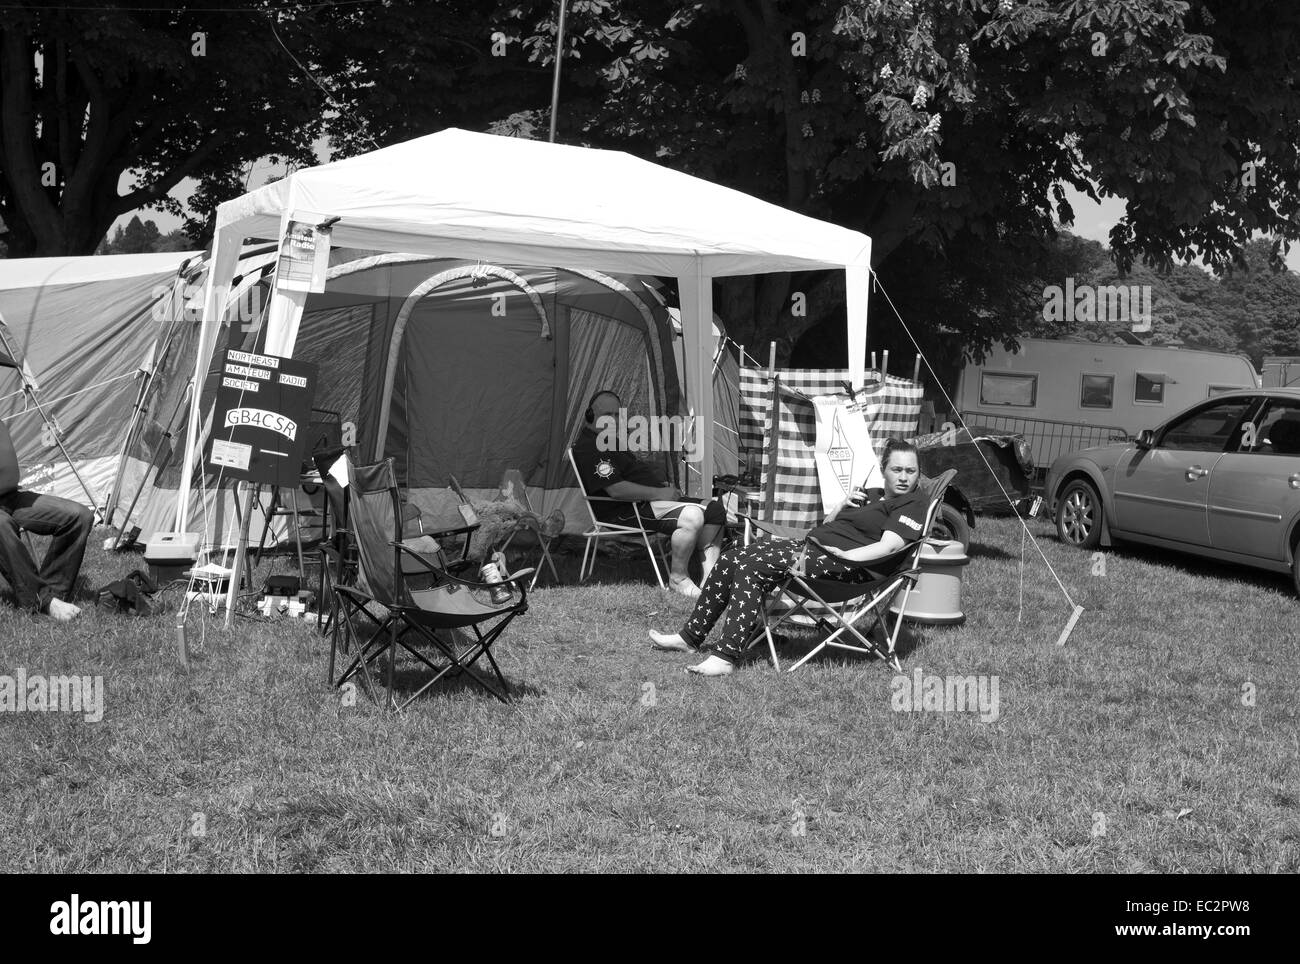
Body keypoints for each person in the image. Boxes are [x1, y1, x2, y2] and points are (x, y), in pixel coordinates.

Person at [648, 439, 928, 676]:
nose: (904, 477)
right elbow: (829, 525)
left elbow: (890, 546)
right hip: (815, 550)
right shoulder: (873, 495)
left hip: (846, 568)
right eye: (897, 469)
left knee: (752, 567)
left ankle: (725, 656)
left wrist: (847, 555)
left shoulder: (913, 503)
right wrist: (843, 505)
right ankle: (690, 637)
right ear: (883, 470)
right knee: (733, 557)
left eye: (910, 471)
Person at [572, 389, 725, 598]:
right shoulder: (590, 447)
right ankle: (678, 578)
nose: (615, 420)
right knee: (693, 516)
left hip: (647, 502)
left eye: (618, 415)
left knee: (715, 510)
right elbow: (617, 490)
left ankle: (710, 580)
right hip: (627, 510)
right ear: (591, 415)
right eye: (609, 415)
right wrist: (659, 492)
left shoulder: (607, 440)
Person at [0, 419, 93, 621]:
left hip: (11, 497)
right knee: (1, 526)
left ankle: (54, 593)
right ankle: (42, 601)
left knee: (79, 516)